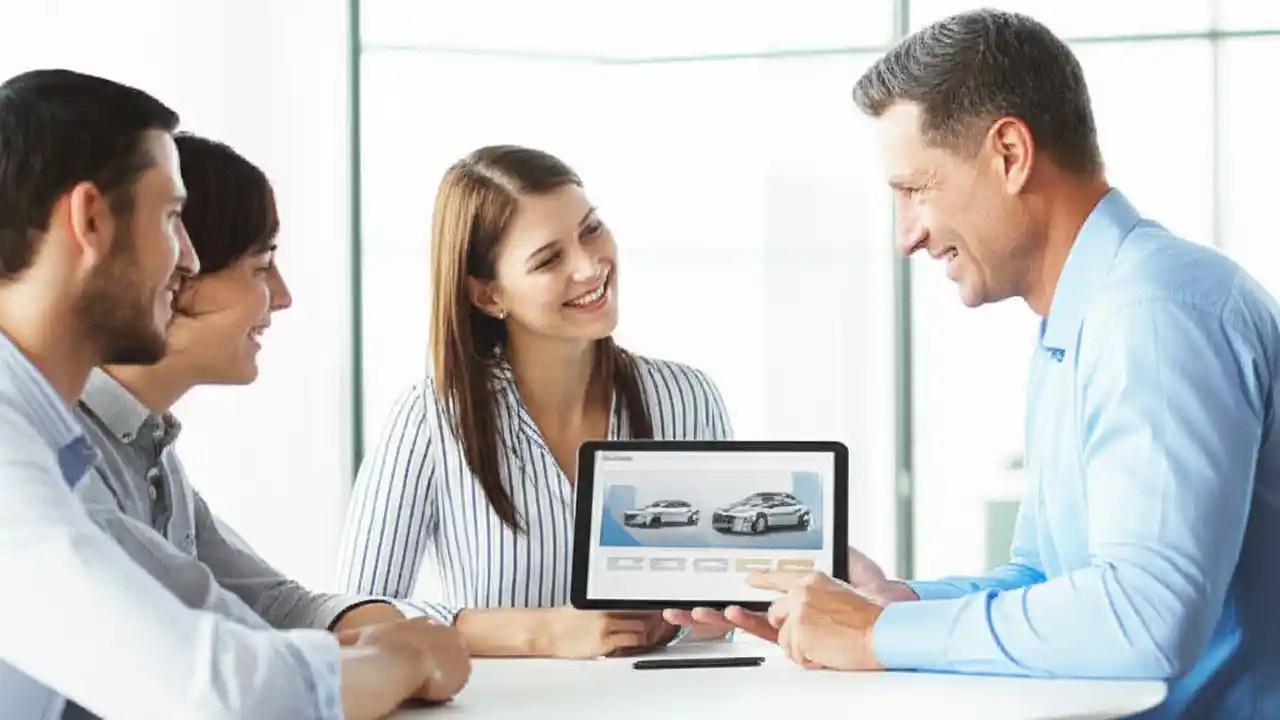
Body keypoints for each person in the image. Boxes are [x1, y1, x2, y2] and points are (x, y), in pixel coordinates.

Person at [702, 10, 1280, 718]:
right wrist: (893, 601)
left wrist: (882, 633)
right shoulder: (1081, 320)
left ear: (1009, 153)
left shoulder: (1152, 316)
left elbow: (1142, 616)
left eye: (916, 189)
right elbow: (1043, 575)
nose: (906, 236)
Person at [0, 69, 467, 719]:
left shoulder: (57, 445)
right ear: (90, 219)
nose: (188, 259)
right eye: (170, 218)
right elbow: (215, 691)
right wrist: (401, 660)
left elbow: (222, 622)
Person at [337, 145, 733, 658]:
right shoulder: (433, 419)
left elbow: (725, 613)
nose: (590, 267)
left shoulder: (687, 399)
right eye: (549, 259)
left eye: (591, 229)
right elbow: (353, 618)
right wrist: (539, 631)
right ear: (488, 295)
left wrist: (675, 623)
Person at [72, 133, 416, 638]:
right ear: (174, 271)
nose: (283, 297)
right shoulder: (63, 452)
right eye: (261, 267)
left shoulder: (152, 450)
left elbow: (272, 605)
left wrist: (423, 634)